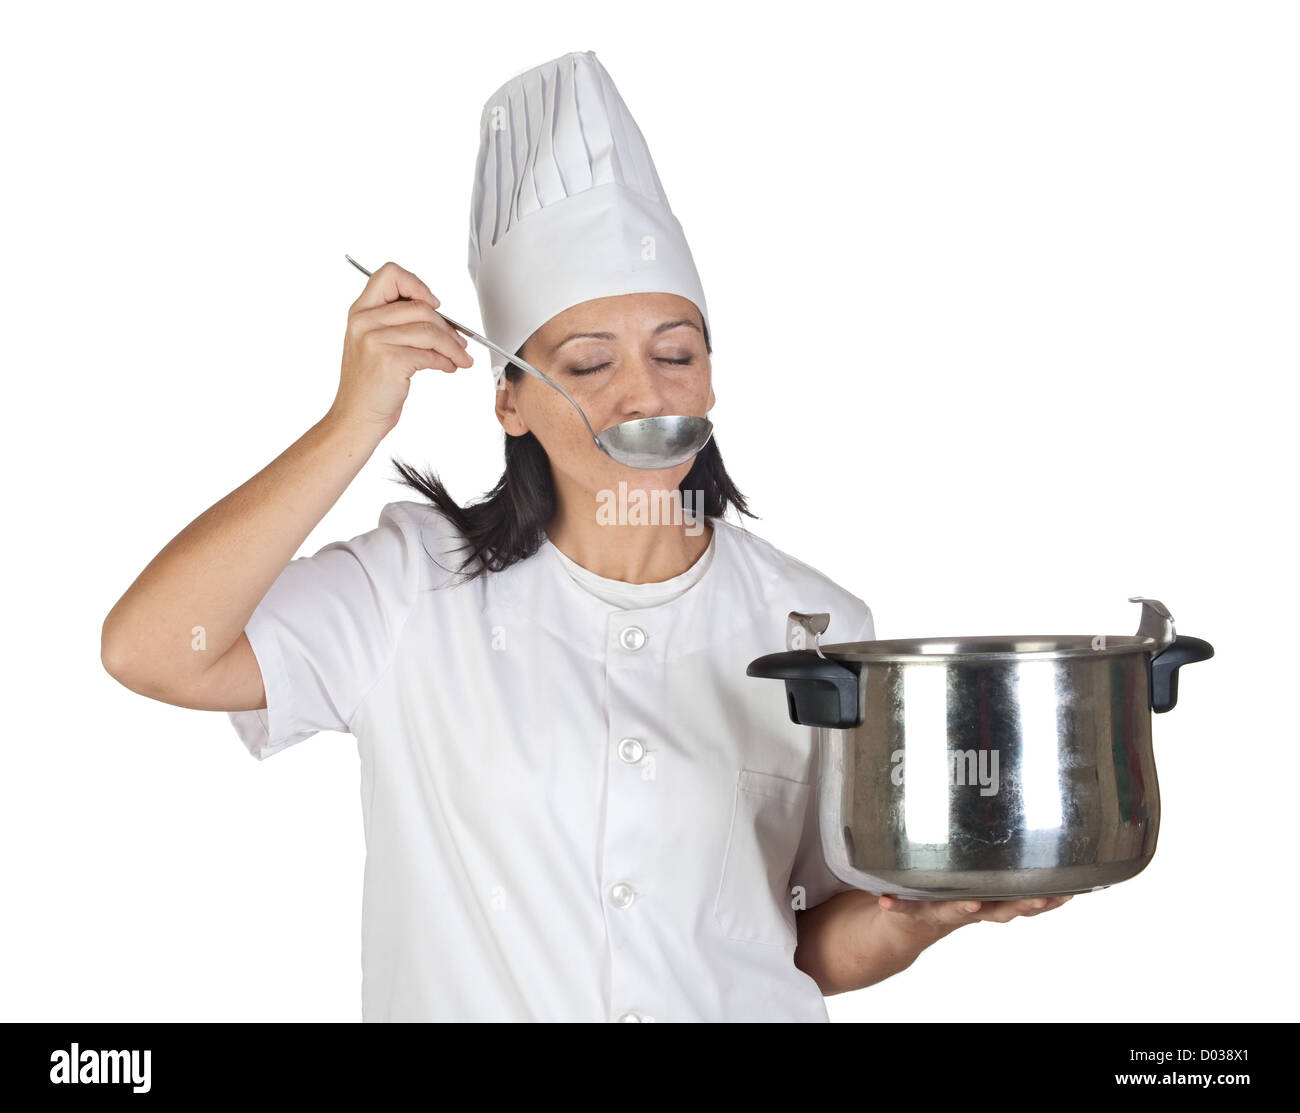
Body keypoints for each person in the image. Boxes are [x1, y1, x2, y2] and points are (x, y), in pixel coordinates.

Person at [100, 50, 1069, 1023]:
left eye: (674, 353)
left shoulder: (815, 623)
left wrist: (924, 914)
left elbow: (807, 940)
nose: (645, 394)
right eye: (590, 362)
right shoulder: (405, 588)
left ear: (711, 382)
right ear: (511, 401)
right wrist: (356, 421)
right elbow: (155, 651)